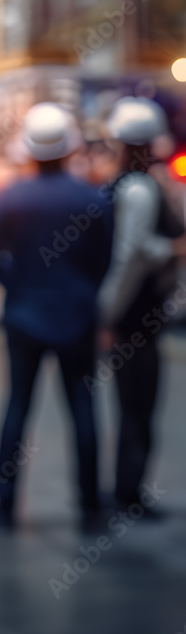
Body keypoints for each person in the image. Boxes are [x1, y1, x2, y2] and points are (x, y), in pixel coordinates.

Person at [0, 103, 112, 531]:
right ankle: (90, 508)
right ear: (70, 149)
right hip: (76, 316)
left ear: (29, 150)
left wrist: (15, 285)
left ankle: (5, 507)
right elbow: (104, 259)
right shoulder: (91, 197)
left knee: (17, 405)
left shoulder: (12, 197)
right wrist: (82, 292)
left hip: (23, 316)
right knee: (83, 407)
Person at [97, 96, 185, 516]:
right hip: (135, 318)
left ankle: (126, 489)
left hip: (135, 315)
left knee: (135, 406)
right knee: (138, 407)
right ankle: (128, 494)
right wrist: (108, 314)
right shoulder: (138, 189)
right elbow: (131, 256)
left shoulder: (131, 185)